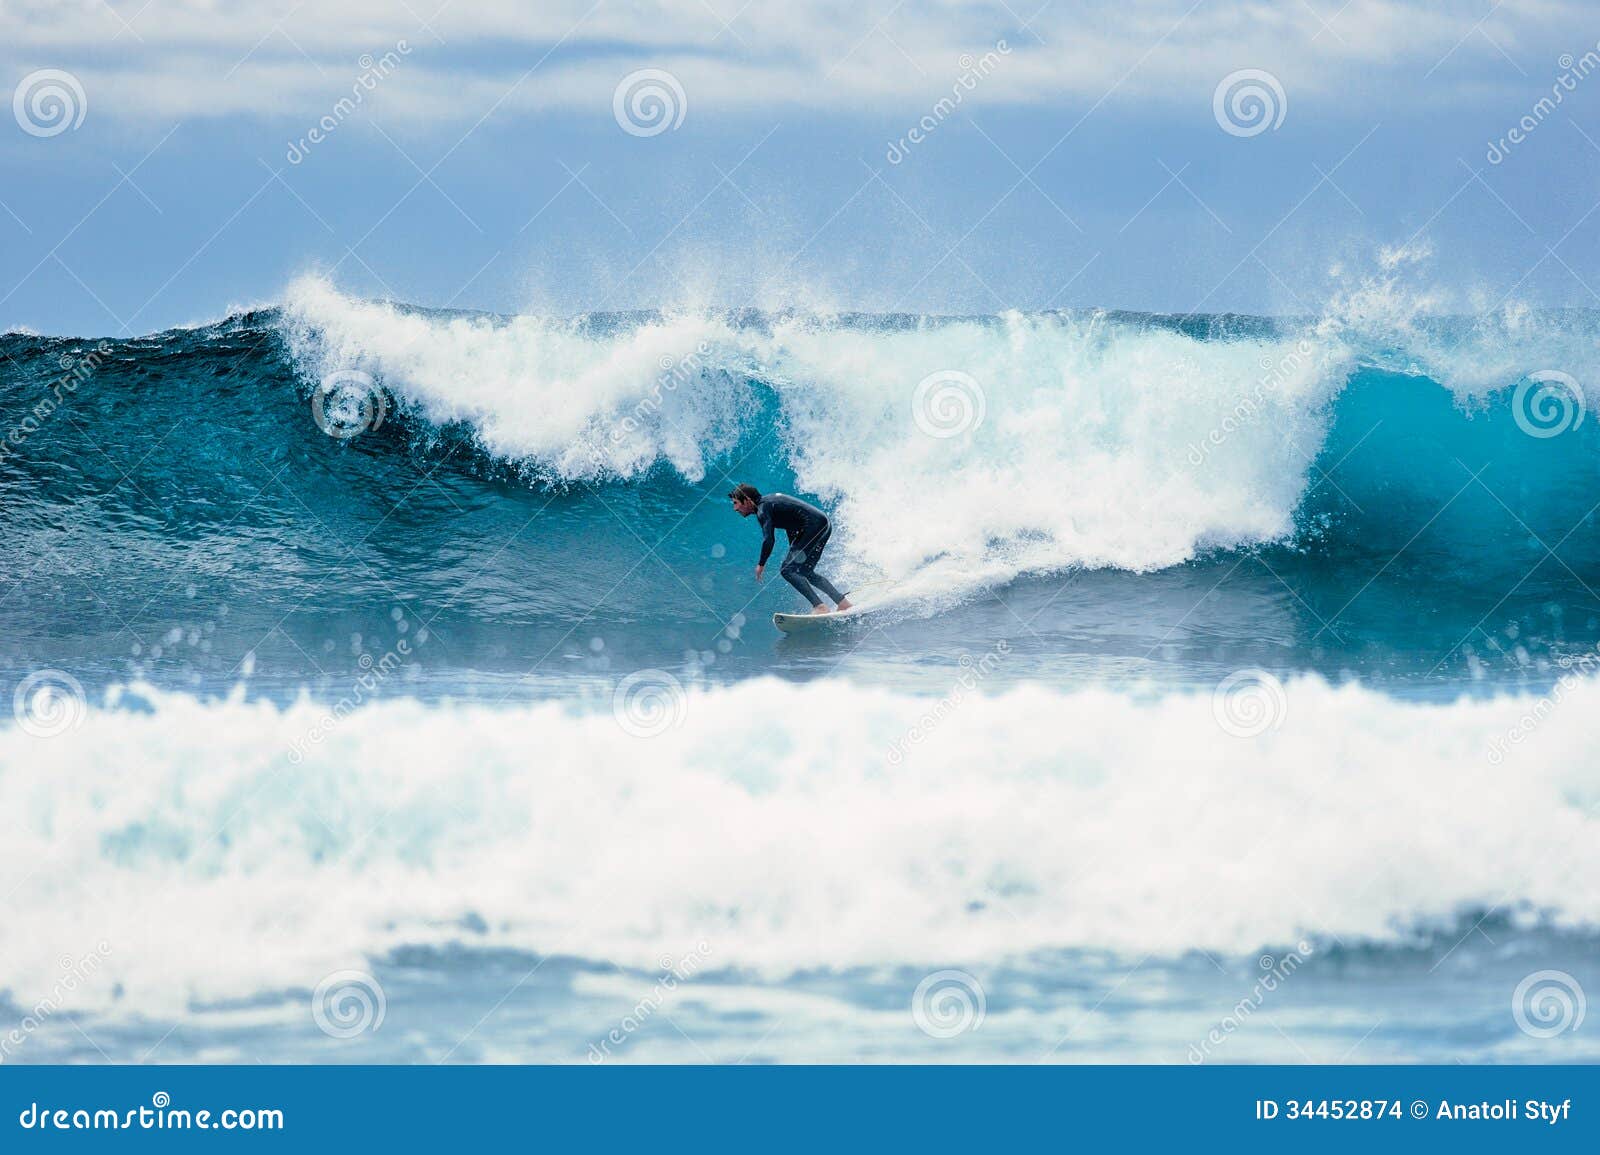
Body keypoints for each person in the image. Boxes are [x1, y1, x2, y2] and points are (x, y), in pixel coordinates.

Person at [728, 483, 853, 615]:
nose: (735, 508)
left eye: (736, 503)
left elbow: (769, 539)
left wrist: (761, 564)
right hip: (823, 524)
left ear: (747, 500)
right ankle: (842, 603)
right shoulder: (769, 502)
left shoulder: (763, 509)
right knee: (805, 571)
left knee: (787, 570)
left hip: (813, 526)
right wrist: (795, 551)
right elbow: (791, 522)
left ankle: (820, 607)